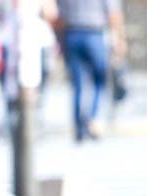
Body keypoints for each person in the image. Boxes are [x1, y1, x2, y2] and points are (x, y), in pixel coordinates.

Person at [54, 0, 127, 140]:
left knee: (78, 84)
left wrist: (60, 40)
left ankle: (79, 126)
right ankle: (93, 118)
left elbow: (59, 14)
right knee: (100, 80)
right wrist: (118, 38)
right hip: (94, 33)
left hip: (72, 33)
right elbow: (113, 13)